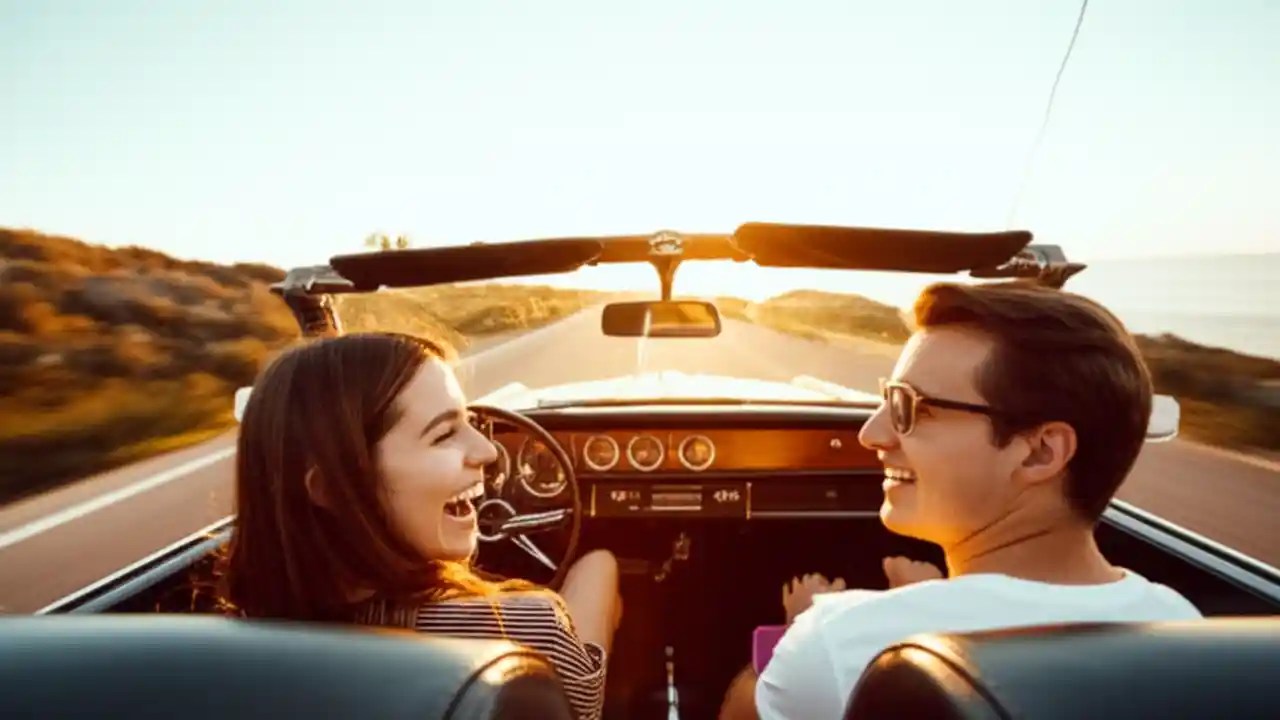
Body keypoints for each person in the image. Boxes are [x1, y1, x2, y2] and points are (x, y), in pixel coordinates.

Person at [719, 281, 1202, 720]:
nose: (872, 433)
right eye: (885, 399)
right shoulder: (1187, 629)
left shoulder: (842, 640)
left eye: (909, 407)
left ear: (1040, 452)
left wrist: (795, 631)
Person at [220, 332, 621, 720]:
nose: (488, 451)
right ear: (331, 489)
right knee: (600, 565)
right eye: (445, 434)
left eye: (471, 423)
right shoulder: (526, 634)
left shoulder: (220, 651)